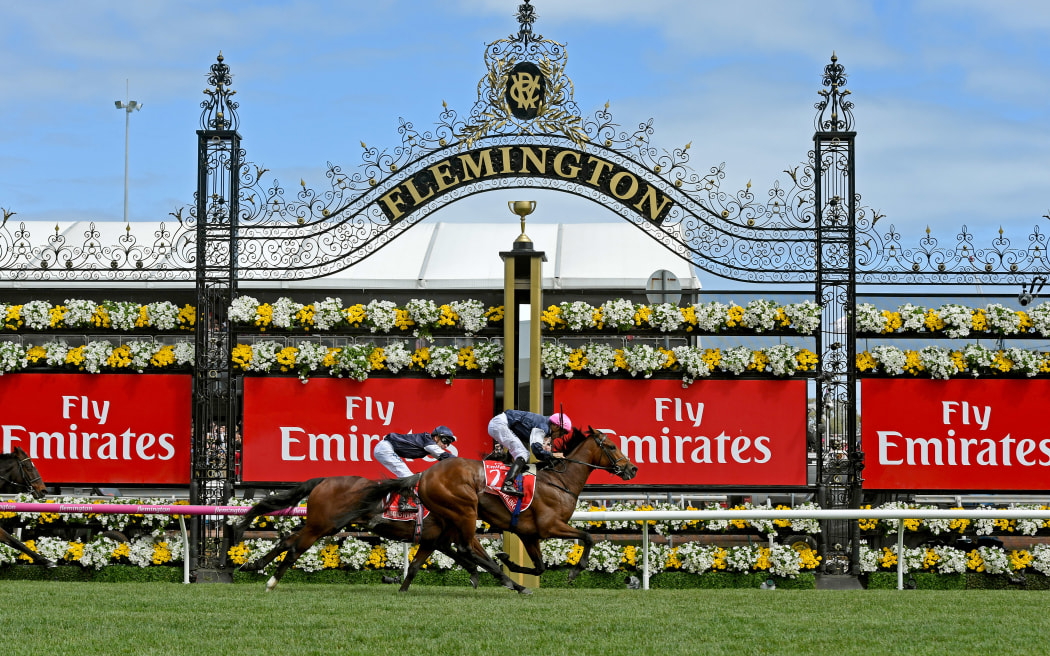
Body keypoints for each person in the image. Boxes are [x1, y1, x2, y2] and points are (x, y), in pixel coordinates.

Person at [488, 410, 571, 496]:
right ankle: (507, 484)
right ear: (556, 426)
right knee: (523, 453)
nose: (560, 436)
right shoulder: (543, 426)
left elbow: (539, 454)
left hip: (501, 424)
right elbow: (536, 450)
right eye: (562, 433)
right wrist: (553, 455)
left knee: (520, 452)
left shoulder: (544, 424)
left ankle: (504, 467)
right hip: (500, 424)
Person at [374, 425, 457, 510]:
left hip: (385, 448)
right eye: (445, 441)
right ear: (436, 438)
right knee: (408, 476)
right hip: (385, 448)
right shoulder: (428, 441)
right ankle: (402, 504)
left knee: (406, 476)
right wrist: (461, 461)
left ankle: (397, 498)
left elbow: (443, 459)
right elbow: (443, 455)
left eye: (448, 443)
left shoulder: (428, 445)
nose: (446, 445)